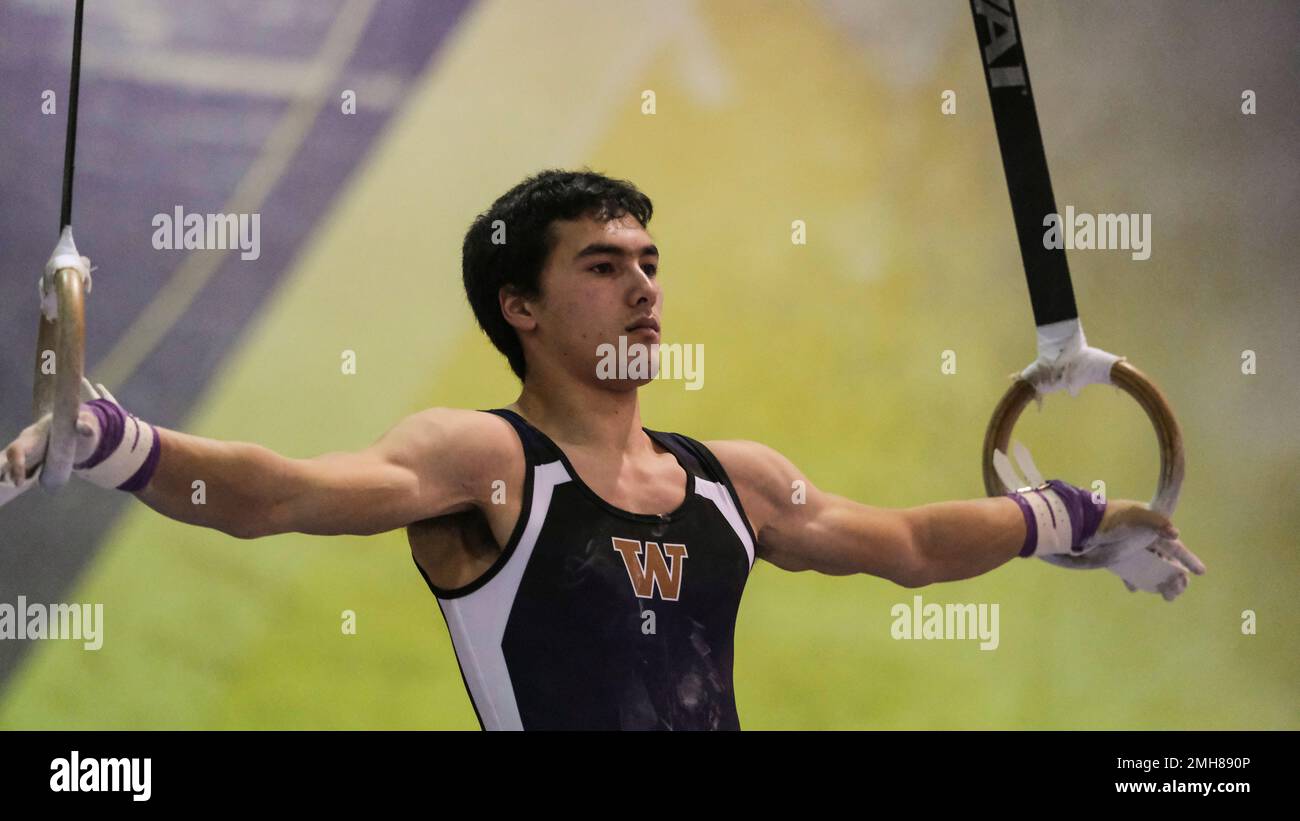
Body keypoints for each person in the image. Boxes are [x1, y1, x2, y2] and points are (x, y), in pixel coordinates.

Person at [1, 169, 1204, 730]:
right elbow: (283, 496)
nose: (642, 288)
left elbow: (904, 543)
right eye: (601, 264)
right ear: (521, 308)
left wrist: (1077, 517)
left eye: (649, 262)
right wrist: (116, 442)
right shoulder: (487, 460)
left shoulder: (729, 476)